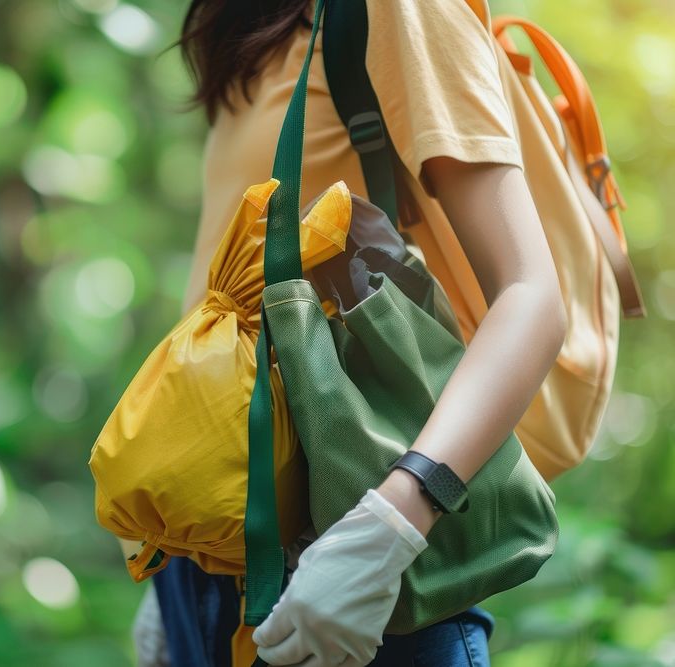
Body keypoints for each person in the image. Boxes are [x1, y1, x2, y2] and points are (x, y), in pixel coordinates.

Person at [131, 0, 568, 665]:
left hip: (354, 571)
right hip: (212, 570)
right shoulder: (250, 28)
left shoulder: (397, 11)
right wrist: (183, 544)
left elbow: (532, 296)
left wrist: (393, 523)